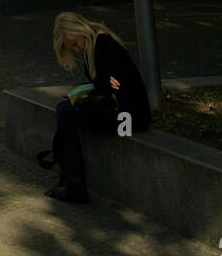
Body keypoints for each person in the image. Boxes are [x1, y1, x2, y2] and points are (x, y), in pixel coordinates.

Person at [37, 11, 151, 203]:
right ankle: (71, 181)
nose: (75, 50)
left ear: (80, 31)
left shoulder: (103, 46)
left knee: (66, 112)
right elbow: (106, 86)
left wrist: (102, 86)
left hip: (130, 118)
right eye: (71, 47)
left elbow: (109, 87)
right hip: (122, 112)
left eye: (74, 44)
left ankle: (75, 185)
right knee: (65, 109)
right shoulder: (96, 44)